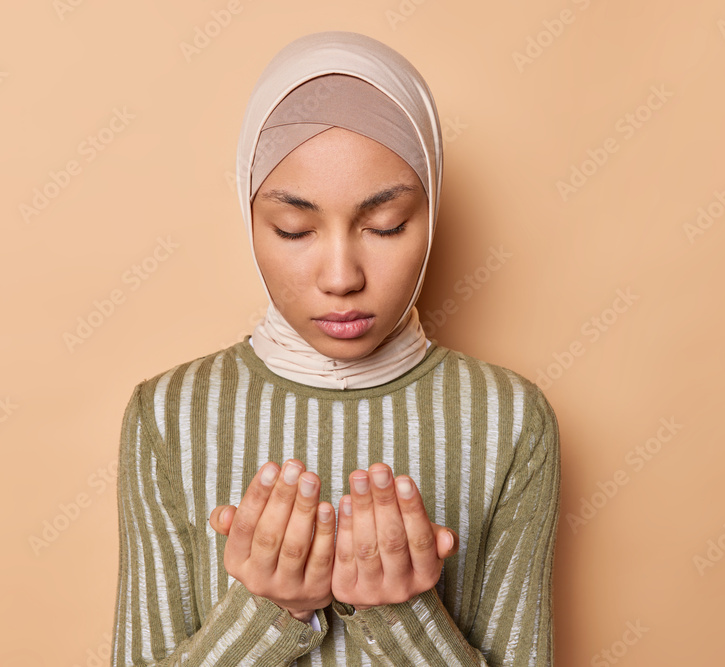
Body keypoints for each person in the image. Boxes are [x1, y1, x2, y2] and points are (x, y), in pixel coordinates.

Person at [109, 30, 561, 666]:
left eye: (386, 225)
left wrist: (402, 615)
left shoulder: (509, 418)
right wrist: (268, 611)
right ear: (249, 217)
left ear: (430, 212)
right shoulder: (169, 413)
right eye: (295, 230)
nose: (342, 276)